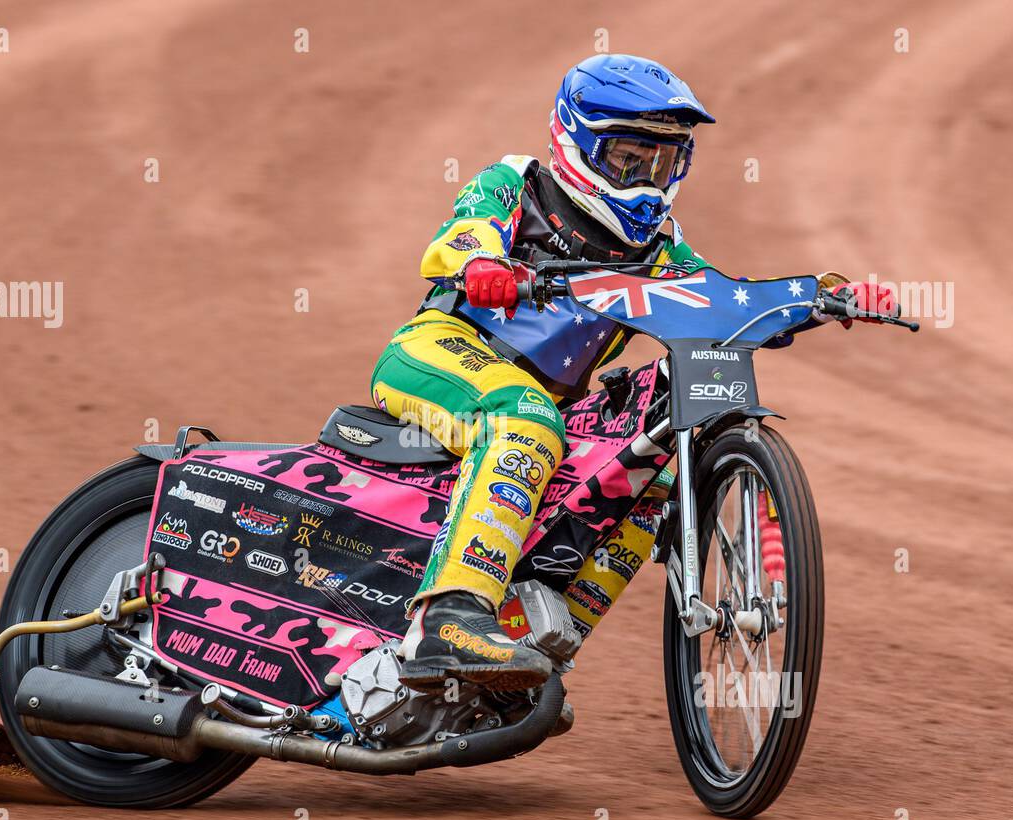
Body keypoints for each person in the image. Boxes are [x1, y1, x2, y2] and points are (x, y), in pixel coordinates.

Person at [372, 54, 895, 693]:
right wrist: (483, 264)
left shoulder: (660, 250)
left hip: (549, 397)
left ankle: (538, 637)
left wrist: (822, 297)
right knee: (526, 423)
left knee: (656, 457)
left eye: (663, 162)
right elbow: (457, 240)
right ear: (578, 143)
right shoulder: (517, 182)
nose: (647, 178)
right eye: (627, 159)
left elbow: (723, 301)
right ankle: (447, 620)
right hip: (438, 350)